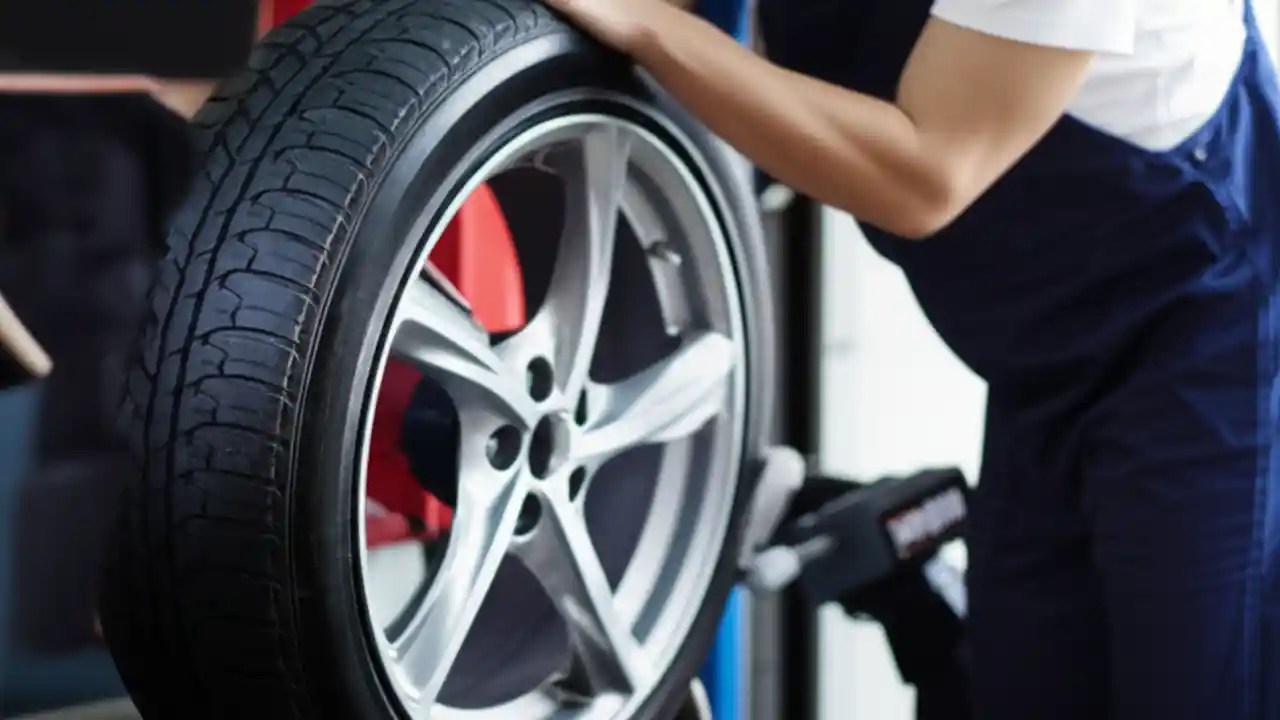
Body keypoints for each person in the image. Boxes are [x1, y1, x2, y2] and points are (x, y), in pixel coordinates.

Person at [539, 0, 1280, 718]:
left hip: (1212, 351)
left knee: (1192, 692)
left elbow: (924, 173)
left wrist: (647, 26)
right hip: (1040, 368)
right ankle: (919, 593)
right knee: (1025, 688)